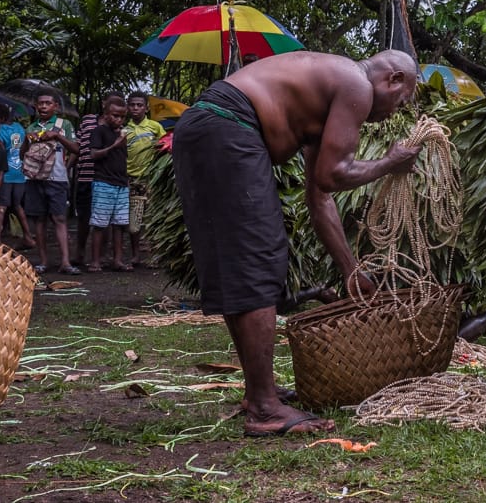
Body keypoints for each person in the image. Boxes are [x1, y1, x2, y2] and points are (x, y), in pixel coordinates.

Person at [171, 49, 420, 437]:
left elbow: (321, 194)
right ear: (394, 79)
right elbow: (338, 174)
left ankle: (259, 394)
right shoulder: (356, 83)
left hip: (206, 128)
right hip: (228, 127)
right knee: (258, 262)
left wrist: (350, 270)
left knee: (243, 265)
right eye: (401, 101)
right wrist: (391, 162)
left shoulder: (325, 95)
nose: (394, 112)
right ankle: (266, 408)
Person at [24, 91, 80, 274]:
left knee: (59, 218)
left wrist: (57, 137)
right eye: (40, 103)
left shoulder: (64, 125)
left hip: (57, 177)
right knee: (39, 220)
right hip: (35, 179)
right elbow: (21, 155)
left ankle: (65, 262)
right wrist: (28, 140)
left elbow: (76, 149)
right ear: (36, 106)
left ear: (56, 106)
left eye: (48, 103)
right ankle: (43, 262)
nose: (44, 106)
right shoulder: (31, 127)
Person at [87, 97, 132, 272]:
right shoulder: (99, 132)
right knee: (99, 224)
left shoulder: (120, 134)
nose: (119, 120)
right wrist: (114, 146)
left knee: (120, 224)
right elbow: (94, 154)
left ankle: (118, 260)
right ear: (106, 115)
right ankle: (95, 261)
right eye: (115, 116)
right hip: (104, 182)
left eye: (122, 117)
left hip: (121, 183)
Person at [122, 90, 165, 264]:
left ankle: (155, 256)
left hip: (152, 178)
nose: (136, 108)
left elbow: (165, 146)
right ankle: (136, 255)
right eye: (132, 105)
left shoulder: (155, 127)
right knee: (134, 221)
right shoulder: (124, 129)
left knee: (153, 219)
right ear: (127, 108)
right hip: (132, 179)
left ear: (146, 108)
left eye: (139, 105)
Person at [0, 102, 33, 248]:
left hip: (6, 173)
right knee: (17, 205)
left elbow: (0, 152)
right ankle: (28, 236)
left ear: (0, 118)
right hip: (20, 172)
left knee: (1, 207)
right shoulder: (19, 128)